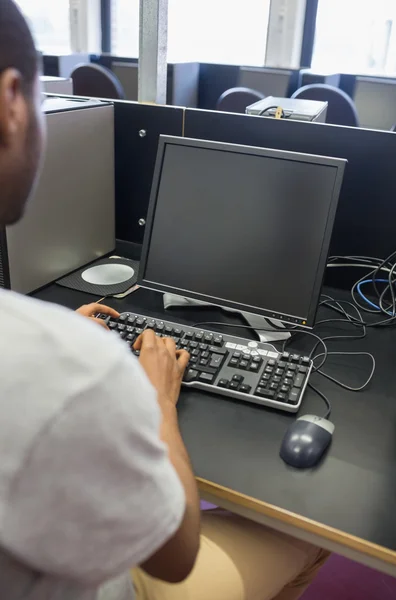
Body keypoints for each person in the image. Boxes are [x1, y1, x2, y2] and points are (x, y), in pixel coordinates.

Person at [0, 2, 330, 599]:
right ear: (11, 102)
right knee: (308, 533)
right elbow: (175, 555)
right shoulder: (59, 364)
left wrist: (57, 347)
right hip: (102, 581)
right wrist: (156, 400)